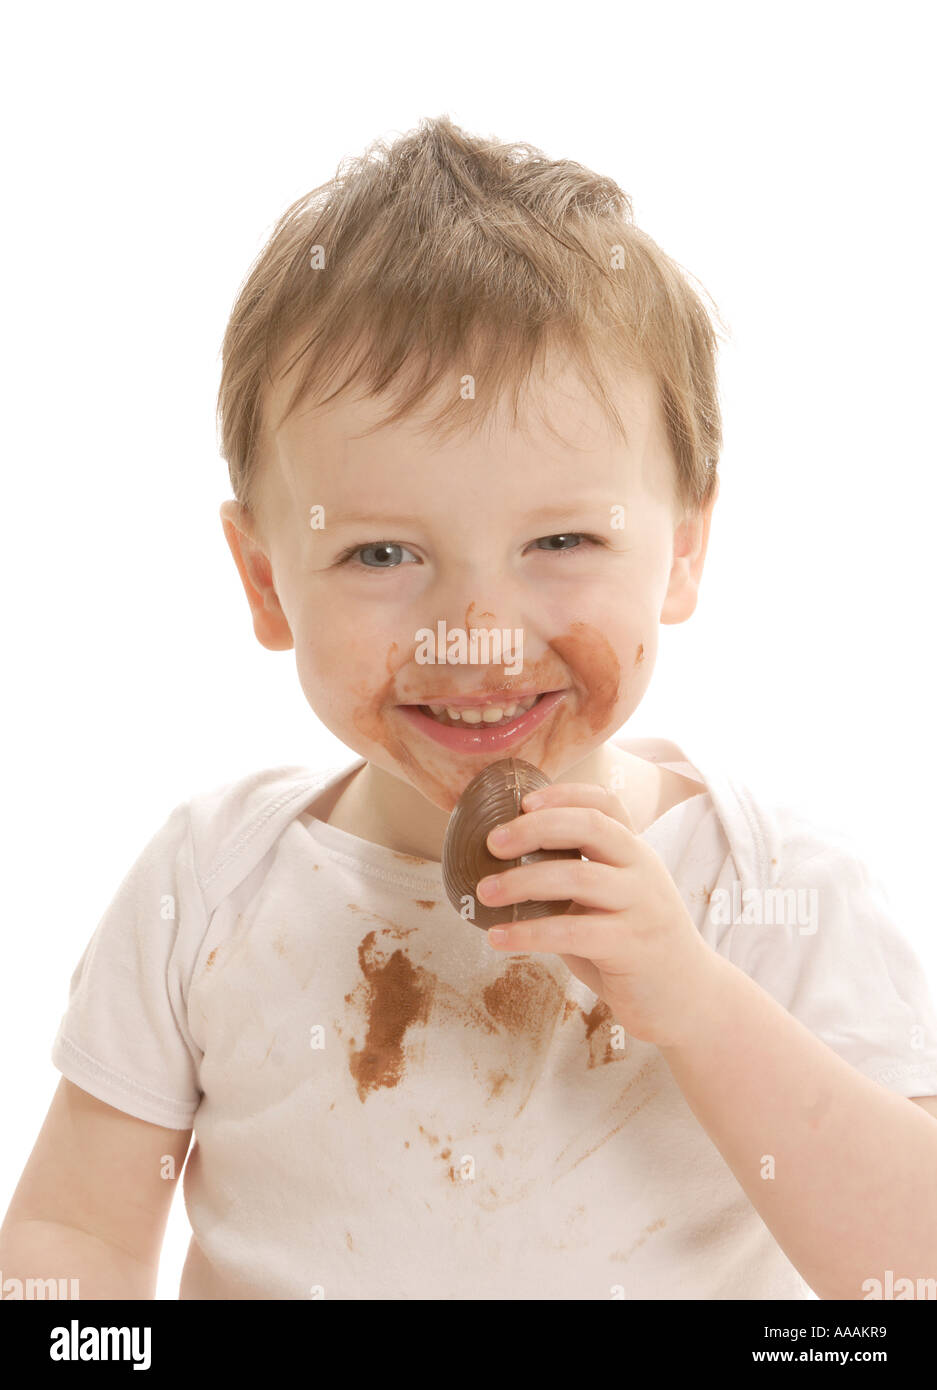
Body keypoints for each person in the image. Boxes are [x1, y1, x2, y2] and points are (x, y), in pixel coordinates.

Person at [4, 115, 937, 1301]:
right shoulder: (212, 885)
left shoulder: (770, 888)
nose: (478, 633)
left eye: (560, 538)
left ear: (684, 550)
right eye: (384, 552)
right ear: (264, 580)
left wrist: (693, 1002)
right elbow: (74, 1243)